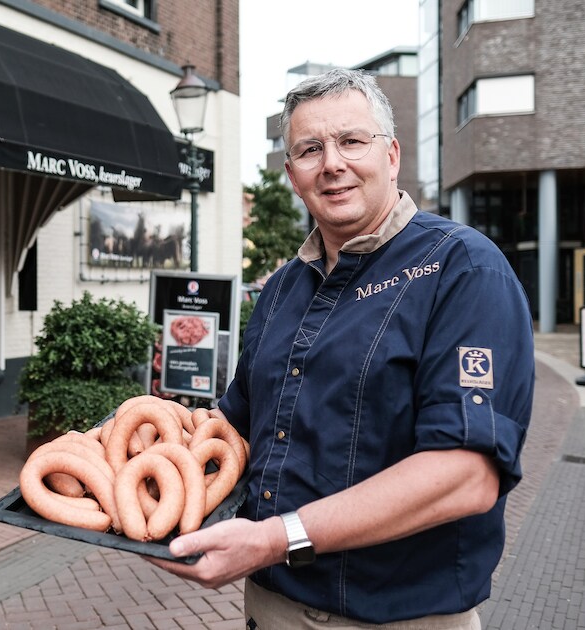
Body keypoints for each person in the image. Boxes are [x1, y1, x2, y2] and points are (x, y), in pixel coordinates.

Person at [148, 68, 535, 628]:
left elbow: (467, 474)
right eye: (310, 149)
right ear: (292, 175)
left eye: (352, 141)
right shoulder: (282, 288)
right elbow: (235, 431)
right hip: (269, 610)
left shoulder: (462, 269)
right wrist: (135, 463)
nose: (332, 163)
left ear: (392, 154)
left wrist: (277, 540)